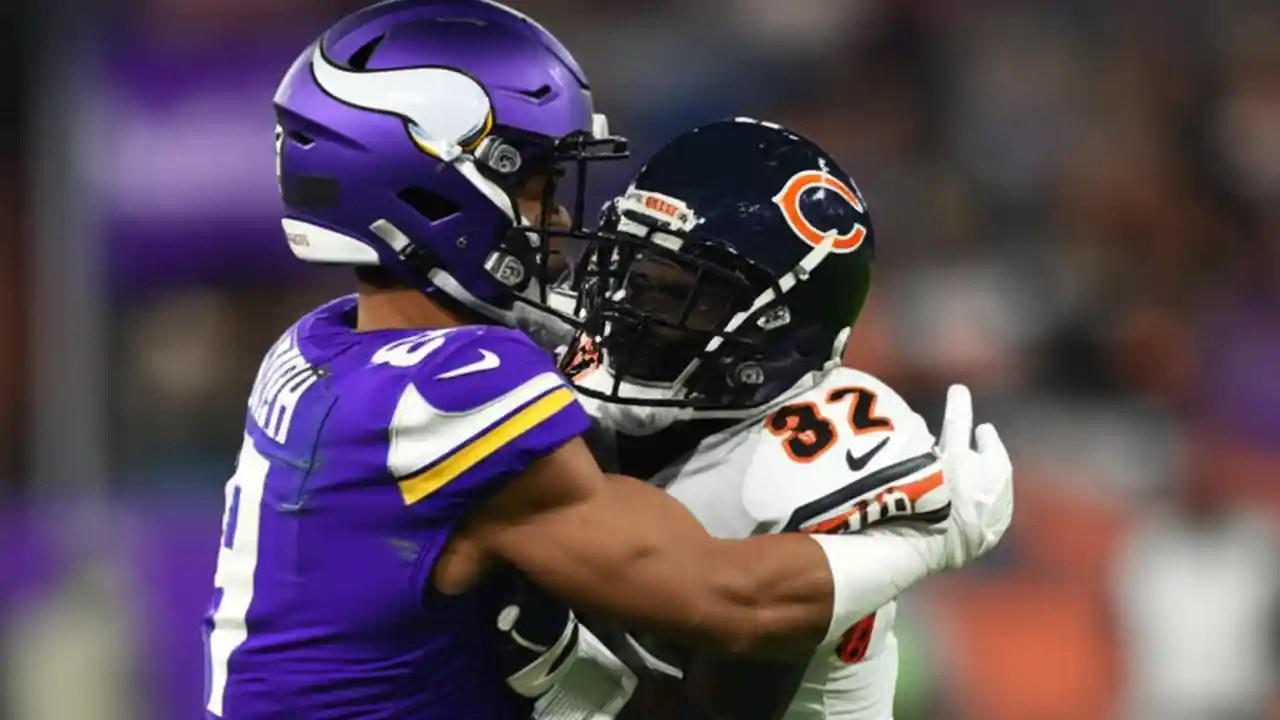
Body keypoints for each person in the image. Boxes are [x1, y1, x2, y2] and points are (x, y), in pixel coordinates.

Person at [201, 2, 1014, 717]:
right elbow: (729, 598)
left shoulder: (320, 345)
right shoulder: (459, 388)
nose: (556, 215)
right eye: (537, 182)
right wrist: (929, 542)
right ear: (429, 185)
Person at [547, 118, 1009, 719]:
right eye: (634, 275)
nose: (629, 313)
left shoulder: (811, 452)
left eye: (677, 293)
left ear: (781, 332)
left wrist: (546, 668)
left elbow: (715, 706)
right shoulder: (562, 359)